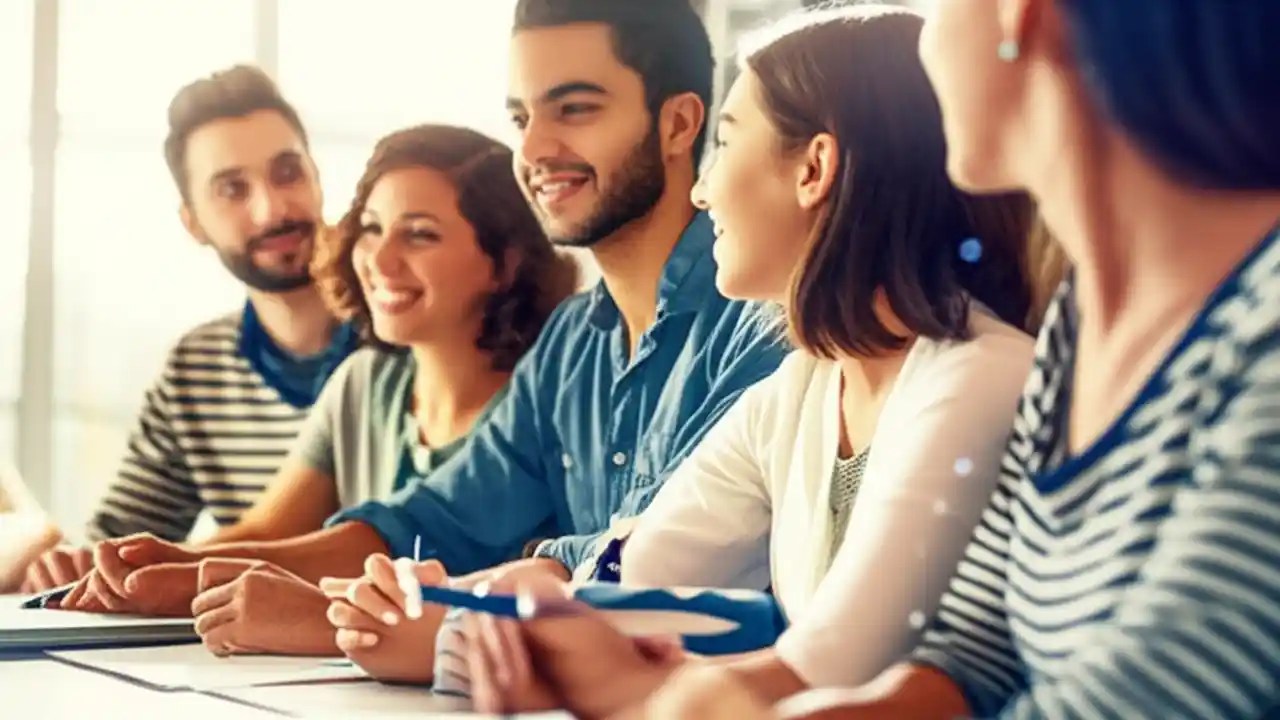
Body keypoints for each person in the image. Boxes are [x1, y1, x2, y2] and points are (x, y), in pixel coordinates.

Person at [56, 0, 790, 672]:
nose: (534, 149)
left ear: (678, 125)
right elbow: (436, 520)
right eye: (519, 118)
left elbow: (654, 566)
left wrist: (332, 616)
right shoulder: (573, 342)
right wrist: (202, 571)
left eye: (574, 108)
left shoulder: (761, 323)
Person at [599, 0, 1280, 718]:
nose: (924, 43)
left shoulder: (1262, 334)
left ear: (1024, 15)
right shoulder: (1075, 334)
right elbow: (970, 658)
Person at [451, 6, 1047, 715]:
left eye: (724, 144)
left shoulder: (978, 378)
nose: (700, 191)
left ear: (816, 168)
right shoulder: (800, 385)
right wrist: (538, 618)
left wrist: (601, 661)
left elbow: (838, 666)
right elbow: (644, 574)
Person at [177, 124, 579, 656]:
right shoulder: (363, 381)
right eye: (371, 228)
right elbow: (269, 530)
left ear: (503, 264)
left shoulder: (539, 410)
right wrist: (150, 565)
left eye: (419, 234)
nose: (380, 261)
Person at [20, 65, 358, 594]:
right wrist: (69, 565)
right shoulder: (194, 368)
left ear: (317, 176)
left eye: (288, 173)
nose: (272, 208)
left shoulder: (406, 339)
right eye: (232, 189)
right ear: (193, 222)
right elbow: (120, 542)